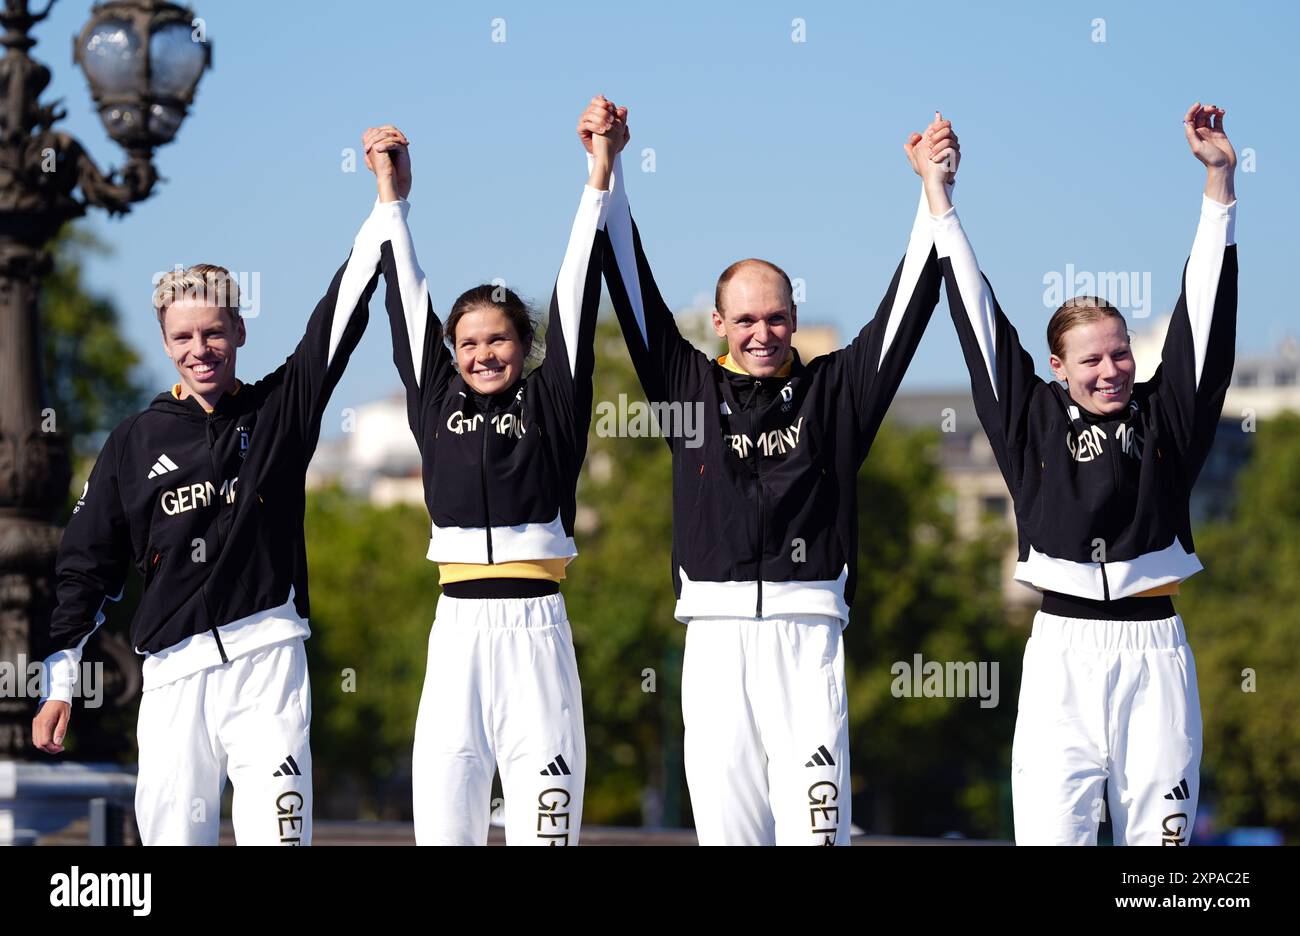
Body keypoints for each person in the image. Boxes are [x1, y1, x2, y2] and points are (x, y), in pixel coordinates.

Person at [590, 96, 957, 845]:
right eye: (747, 320)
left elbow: (908, 307)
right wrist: (609, 168)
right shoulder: (687, 388)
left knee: (817, 833)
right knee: (728, 836)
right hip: (716, 643)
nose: (763, 334)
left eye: (778, 317)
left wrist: (935, 192)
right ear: (719, 324)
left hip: (807, 636)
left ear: (795, 316)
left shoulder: (837, 393)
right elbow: (630, 289)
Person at [29, 131, 404, 845]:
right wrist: (59, 684)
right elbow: (85, 566)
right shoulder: (134, 441)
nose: (200, 350)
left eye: (214, 333)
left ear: (238, 328)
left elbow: (339, 319)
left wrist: (387, 203)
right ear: (165, 343)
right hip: (172, 678)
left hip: (269, 661)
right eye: (182, 338)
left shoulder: (276, 413)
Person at [933, 103, 1237, 845]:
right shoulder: (1027, 419)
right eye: (1092, 359)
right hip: (1061, 657)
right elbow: (978, 320)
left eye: (1121, 353)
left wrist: (1220, 186)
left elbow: (1205, 317)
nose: (1111, 371)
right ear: (1058, 368)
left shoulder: (1167, 416)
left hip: (1154, 653)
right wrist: (940, 199)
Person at [367, 104, 617, 845]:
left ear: (525, 344)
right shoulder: (432, 397)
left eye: (498, 339)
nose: (482, 355)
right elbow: (404, 294)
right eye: (468, 343)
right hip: (457, 635)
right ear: (450, 351)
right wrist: (392, 198)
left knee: (546, 829)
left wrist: (597, 175)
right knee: (446, 826)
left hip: (537, 629)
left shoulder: (554, 401)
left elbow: (578, 289)